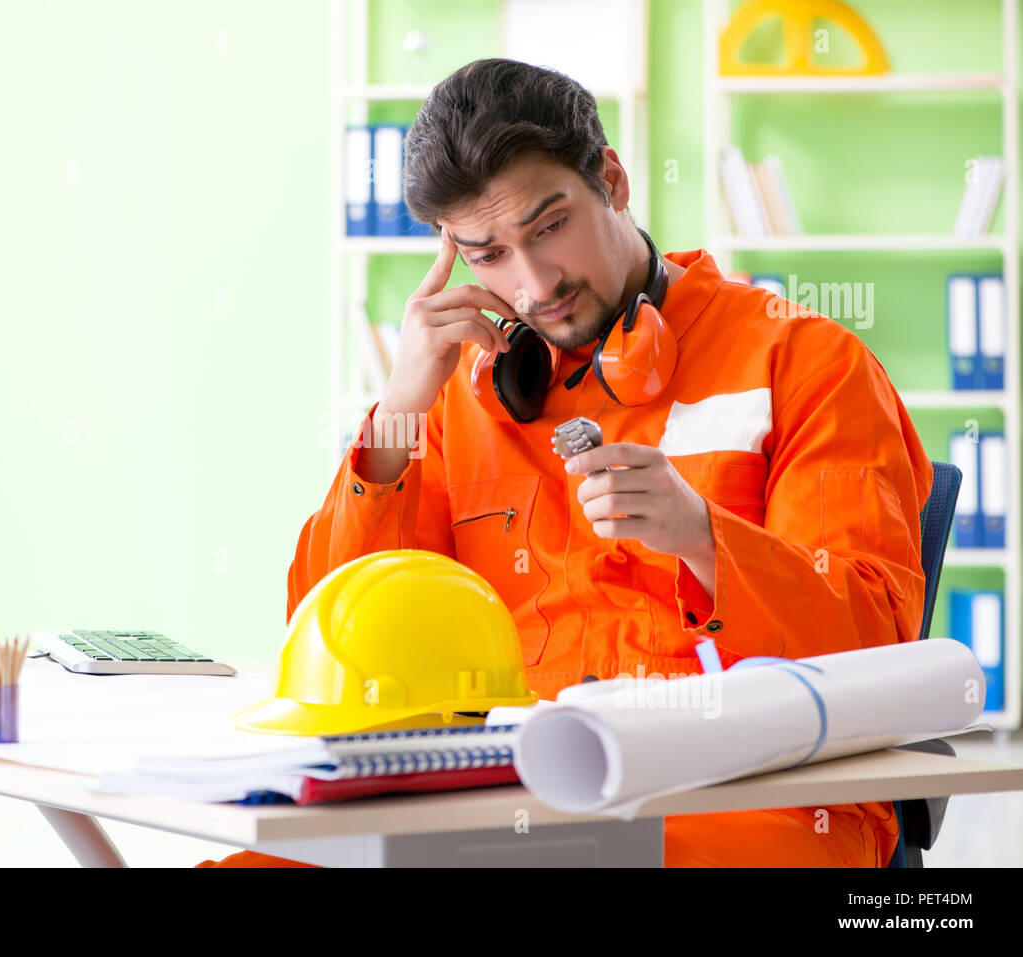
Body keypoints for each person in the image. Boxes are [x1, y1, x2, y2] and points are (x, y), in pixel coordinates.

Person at [197, 58, 931, 868]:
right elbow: (333, 638)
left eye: (550, 227)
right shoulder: (453, 396)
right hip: (503, 793)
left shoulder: (808, 361)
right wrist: (401, 404)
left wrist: (703, 537)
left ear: (611, 179)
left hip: (743, 794)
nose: (534, 283)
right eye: (488, 255)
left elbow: (876, 649)